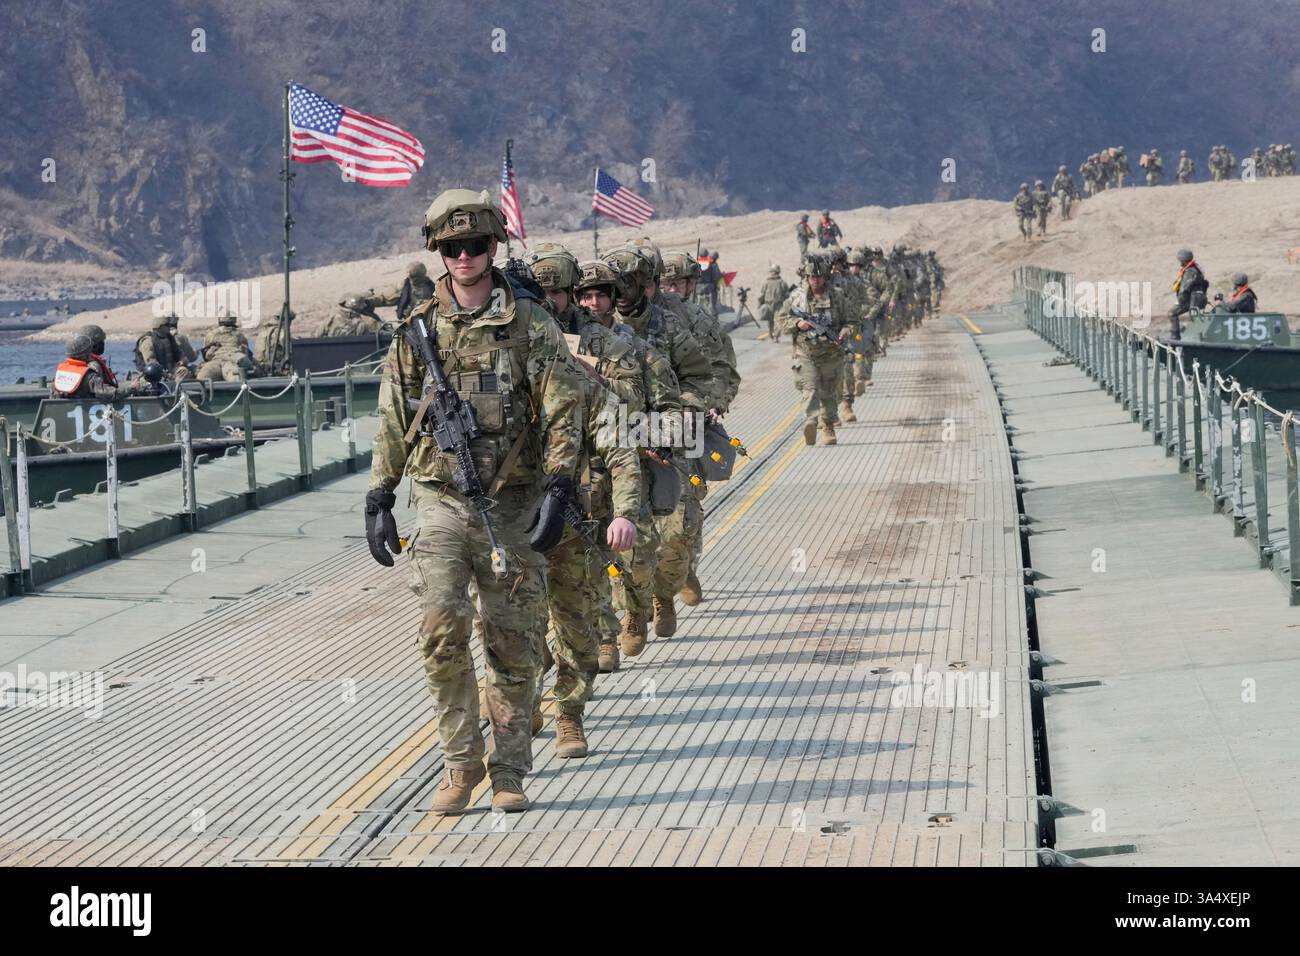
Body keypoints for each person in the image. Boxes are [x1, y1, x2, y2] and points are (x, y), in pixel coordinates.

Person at [365, 188, 587, 815]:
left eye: (476, 245)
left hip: (514, 504)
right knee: (440, 634)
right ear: (439, 251)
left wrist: (561, 485)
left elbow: (562, 408)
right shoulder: (418, 331)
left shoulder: (531, 325)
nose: (465, 256)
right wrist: (380, 491)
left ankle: (509, 769)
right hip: (440, 501)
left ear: (493, 248)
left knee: (513, 642)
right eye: (453, 247)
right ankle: (460, 765)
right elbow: (394, 414)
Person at [526, 244, 643, 755]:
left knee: (576, 616)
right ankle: (522, 701)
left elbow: (626, 415)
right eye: (540, 290)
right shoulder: (517, 341)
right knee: (516, 618)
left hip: (580, 499)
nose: (548, 299)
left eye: (556, 290)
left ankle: (569, 713)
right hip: (519, 503)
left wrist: (624, 509)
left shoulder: (601, 344)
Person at [575, 259, 681, 669]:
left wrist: (649, 439)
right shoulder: (559, 343)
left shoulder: (636, 349)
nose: (595, 302)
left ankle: (638, 610)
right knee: (586, 559)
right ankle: (605, 636)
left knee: (635, 555)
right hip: (579, 465)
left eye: (603, 294)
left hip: (628, 462)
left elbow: (663, 406)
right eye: (587, 295)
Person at [776, 255, 850, 446]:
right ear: (806, 277)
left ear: (825, 277)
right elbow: (781, 320)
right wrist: (798, 323)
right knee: (810, 389)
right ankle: (810, 421)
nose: (815, 280)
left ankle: (828, 426)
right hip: (805, 353)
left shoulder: (838, 296)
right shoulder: (796, 297)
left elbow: (852, 321)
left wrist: (844, 332)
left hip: (831, 354)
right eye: (811, 277)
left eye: (818, 277)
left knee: (828, 392)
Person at [52, 333, 151, 400]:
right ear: (86, 353)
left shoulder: (60, 372)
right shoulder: (88, 376)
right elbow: (110, 393)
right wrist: (132, 388)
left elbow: (53, 395)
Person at [197, 312, 257, 382]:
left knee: (202, 377)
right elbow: (247, 353)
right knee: (236, 379)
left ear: (220, 320)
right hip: (232, 362)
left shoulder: (211, 335)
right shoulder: (240, 335)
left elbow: (206, 356)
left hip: (215, 362)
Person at [369, 261, 436, 322]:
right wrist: (367, 301)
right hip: (408, 323)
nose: (410, 279)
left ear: (422, 276)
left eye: (413, 276)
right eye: (409, 276)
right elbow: (384, 298)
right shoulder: (404, 287)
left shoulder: (433, 288)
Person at [135, 314, 195, 381]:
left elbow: (180, 354)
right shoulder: (148, 341)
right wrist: (165, 374)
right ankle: (175, 388)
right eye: (167, 325)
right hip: (151, 374)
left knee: (188, 370)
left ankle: (176, 387)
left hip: (169, 371)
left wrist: (182, 361)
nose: (169, 327)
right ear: (160, 326)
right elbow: (151, 362)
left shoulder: (170, 338)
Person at [1168, 248, 1208, 340]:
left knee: (1172, 313)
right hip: (1196, 299)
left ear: (1183, 260)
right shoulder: (1195, 269)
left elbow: (1185, 289)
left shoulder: (1190, 271)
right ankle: (1193, 335)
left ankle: (1175, 337)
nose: (1180, 263)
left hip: (1191, 300)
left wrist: (1180, 301)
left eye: (1180, 260)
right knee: (1193, 319)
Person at [759, 265, 789, 342]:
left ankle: (771, 335)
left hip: (768, 304)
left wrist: (760, 304)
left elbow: (762, 295)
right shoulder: (782, 282)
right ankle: (775, 336)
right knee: (778, 321)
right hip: (778, 304)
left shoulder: (766, 283)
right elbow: (787, 294)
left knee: (770, 321)